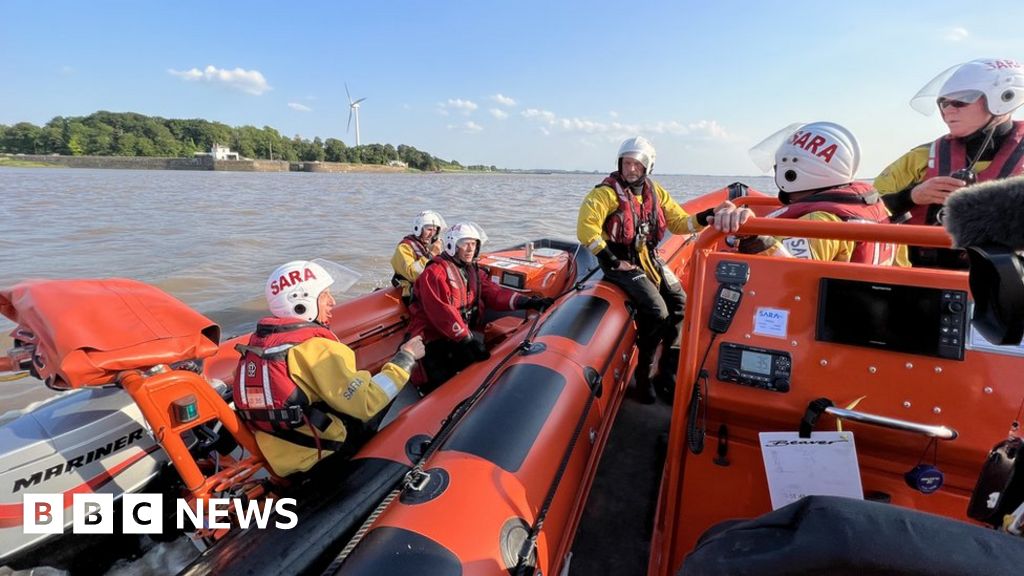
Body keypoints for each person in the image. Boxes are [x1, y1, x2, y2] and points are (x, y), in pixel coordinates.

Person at [576, 136, 751, 404]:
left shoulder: (655, 192)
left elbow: (680, 223)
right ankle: (642, 378)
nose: (631, 168)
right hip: (621, 262)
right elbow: (586, 229)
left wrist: (707, 216)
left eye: (637, 163)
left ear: (648, 167)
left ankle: (666, 373)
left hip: (648, 258)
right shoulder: (605, 194)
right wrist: (612, 260)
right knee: (657, 313)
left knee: (680, 302)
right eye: (626, 162)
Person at [232, 259, 426, 477]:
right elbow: (365, 403)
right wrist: (405, 359)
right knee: (383, 394)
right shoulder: (318, 349)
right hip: (324, 454)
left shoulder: (256, 346)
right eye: (325, 295)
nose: (333, 302)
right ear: (301, 302)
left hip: (284, 458)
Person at [875, 57, 1024, 268]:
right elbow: (864, 210)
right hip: (923, 279)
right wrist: (911, 196)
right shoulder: (921, 158)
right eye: (943, 102)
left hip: (1008, 283)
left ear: (1004, 98)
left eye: (961, 101)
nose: (947, 110)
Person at [407, 222, 552, 394]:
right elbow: (442, 313)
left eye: (474, 244)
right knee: (437, 387)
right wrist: (467, 340)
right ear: (453, 245)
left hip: (456, 336)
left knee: (477, 372)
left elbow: (494, 293)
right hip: (431, 338)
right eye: (465, 243)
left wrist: (528, 302)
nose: (470, 249)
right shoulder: (435, 273)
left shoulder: (473, 271)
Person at [736, 121, 899, 265]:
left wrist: (753, 239)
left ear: (793, 172)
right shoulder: (876, 208)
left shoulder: (817, 223)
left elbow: (786, 279)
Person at [391, 210, 446, 303]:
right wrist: (431, 255)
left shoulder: (429, 246)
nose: (432, 234)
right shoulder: (404, 248)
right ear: (418, 228)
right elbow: (412, 274)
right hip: (411, 293)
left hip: (426, 288)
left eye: (435, 230)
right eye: (429, 229)